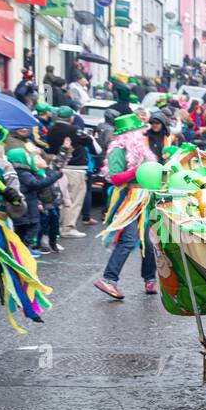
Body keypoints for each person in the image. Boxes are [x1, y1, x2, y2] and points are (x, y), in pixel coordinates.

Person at [92, 113, 158, 299]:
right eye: (137, 131)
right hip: (128, 199)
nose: (141, 134)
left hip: (146, 197)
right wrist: (137, 171)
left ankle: (150, 278)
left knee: (150, 239)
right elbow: (114, 178)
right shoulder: (118, 150)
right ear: (128, 133)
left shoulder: (140, 149)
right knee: (128, 239)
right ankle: (108, 280)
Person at [6, 149, 61, 256]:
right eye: (26, 156)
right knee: (34, 226)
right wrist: (55, 176)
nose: (28, 158)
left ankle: (21, 249)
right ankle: (24, 248)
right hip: (27, 207)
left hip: (22, 206)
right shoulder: (24, 173)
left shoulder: (18, 171)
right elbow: (36, 184)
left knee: (22, 228)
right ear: (20, 158)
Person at [46, 106, 89, 239]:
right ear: (71, 117)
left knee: (61, 198)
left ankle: (59, 226)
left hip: (58, 167)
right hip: (75, 168)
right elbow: (87, 140)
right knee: (74, 198)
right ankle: (68, 227)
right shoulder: (73, 130)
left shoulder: (51, 129)